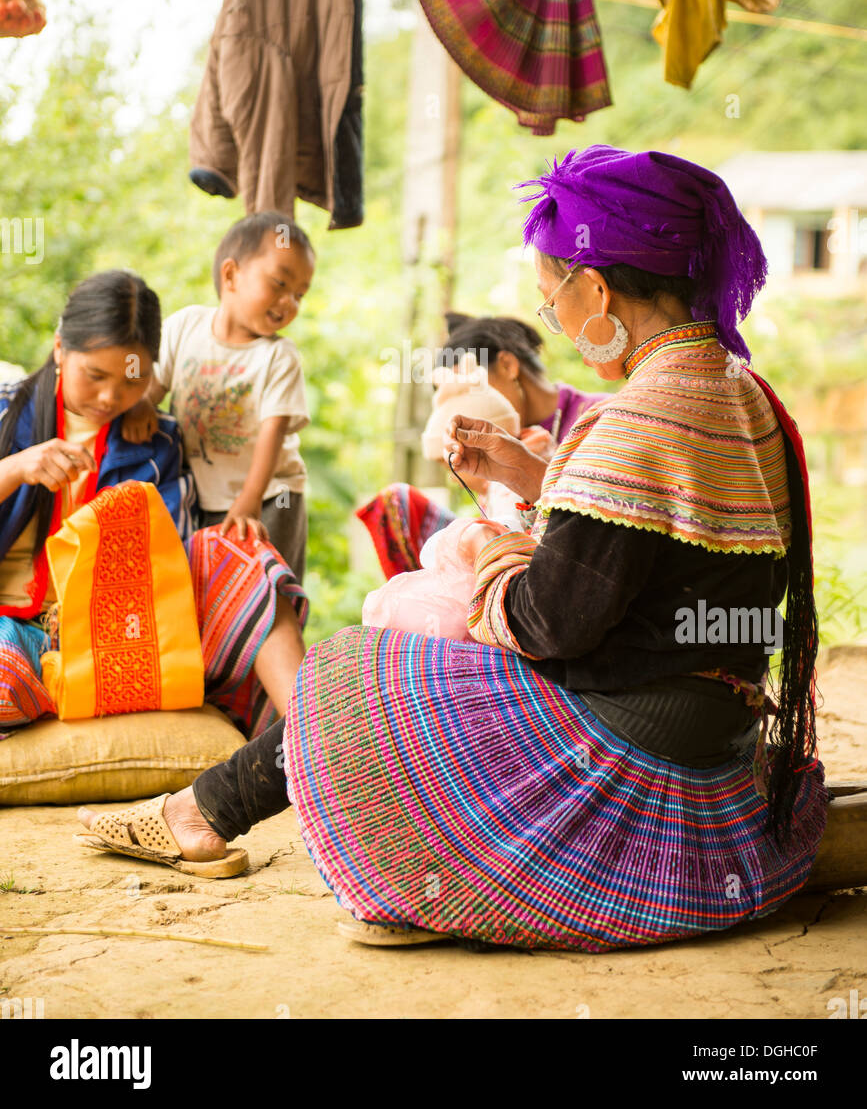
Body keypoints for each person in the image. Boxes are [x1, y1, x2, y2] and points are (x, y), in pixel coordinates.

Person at [77, 146, 828, 956]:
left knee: (352, 675)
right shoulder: (735, 391)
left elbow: (551, 626)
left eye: (554, 304)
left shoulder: (639, 421)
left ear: (596, 289)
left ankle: (206, 817)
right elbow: (667, 551)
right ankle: (212, 814)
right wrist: (534, 474)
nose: (563, 330)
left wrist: (492, 546)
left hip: (637, 732)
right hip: (720, 719)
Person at [0, 270, 307, 740]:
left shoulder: (157, 439)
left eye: (130, 380)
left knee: (243, 552)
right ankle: (51, 683)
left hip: (115, 636)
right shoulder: (5, 411)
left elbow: (170, 569)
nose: (110, 397)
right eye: (94, 376)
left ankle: (314, 735)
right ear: (60, 348)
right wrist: (18, 467)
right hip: (11, 624)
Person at [123, 212, 314, 582]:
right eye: (279, 283)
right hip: (199, 496)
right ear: (230, 275)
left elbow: (273, 433)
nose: (288, 302)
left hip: (272, 496)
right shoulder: (184, 326)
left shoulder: (279, 356)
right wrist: (142, 405)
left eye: (300, 295)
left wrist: (251, 497)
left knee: (271, 592)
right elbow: (153, 387)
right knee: (212, 599)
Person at [356, 311, 605, 577]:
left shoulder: (601, 418)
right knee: (398, 503)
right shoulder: (489, 443)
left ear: (508, 366)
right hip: (511, 565)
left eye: (470, 386)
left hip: (569, 567)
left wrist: (532, 474)